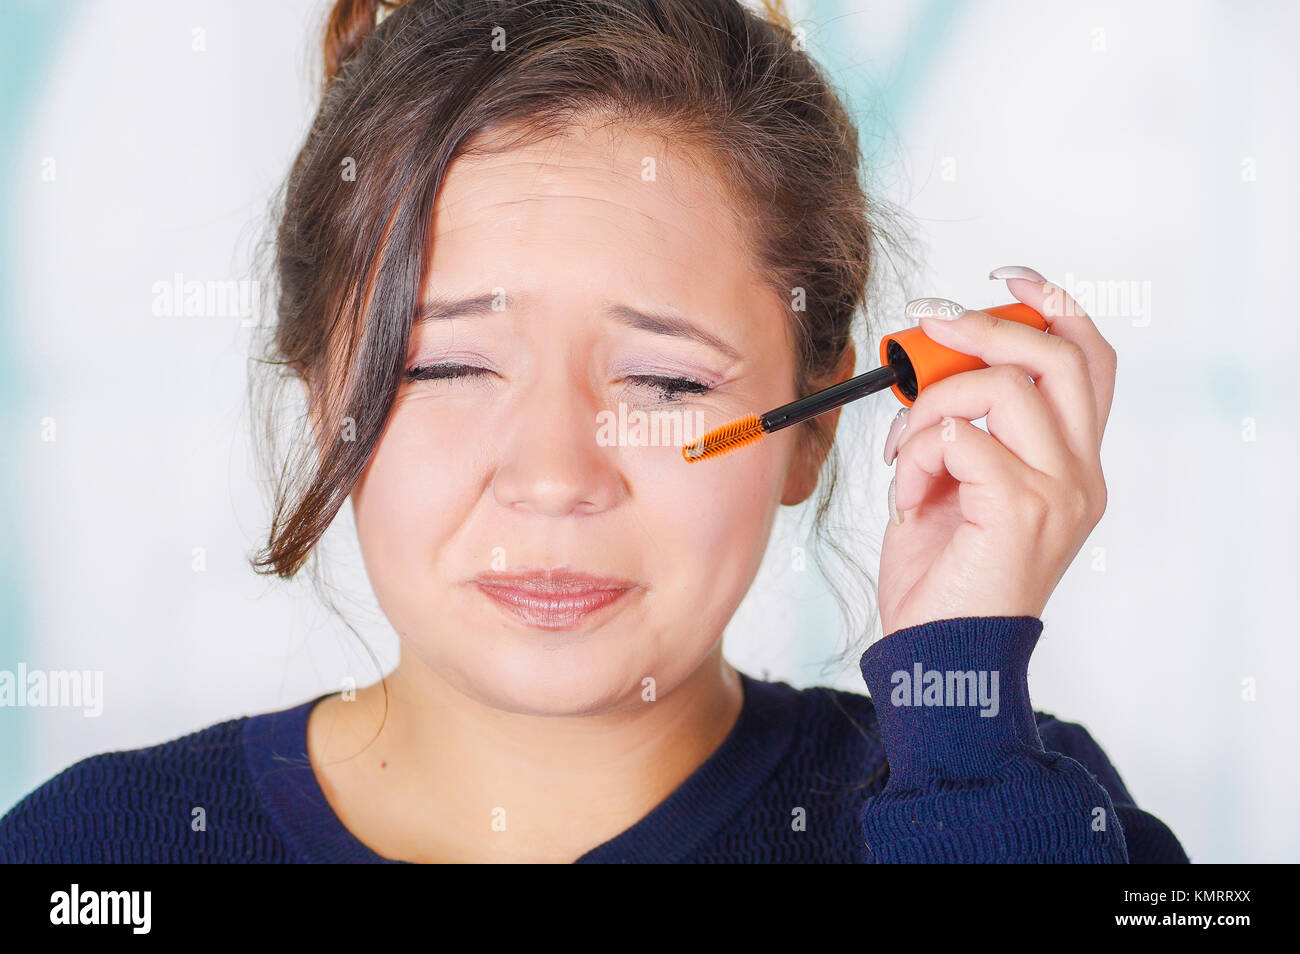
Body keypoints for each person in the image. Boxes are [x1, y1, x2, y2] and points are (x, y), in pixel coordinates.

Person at [0, 0, 1187, 864]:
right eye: (449, 366)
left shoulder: (1006, 797)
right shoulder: (94, 852)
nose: (554, 476)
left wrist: (959, 708)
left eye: (665, 381)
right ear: (323, 397)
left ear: (813, 427)